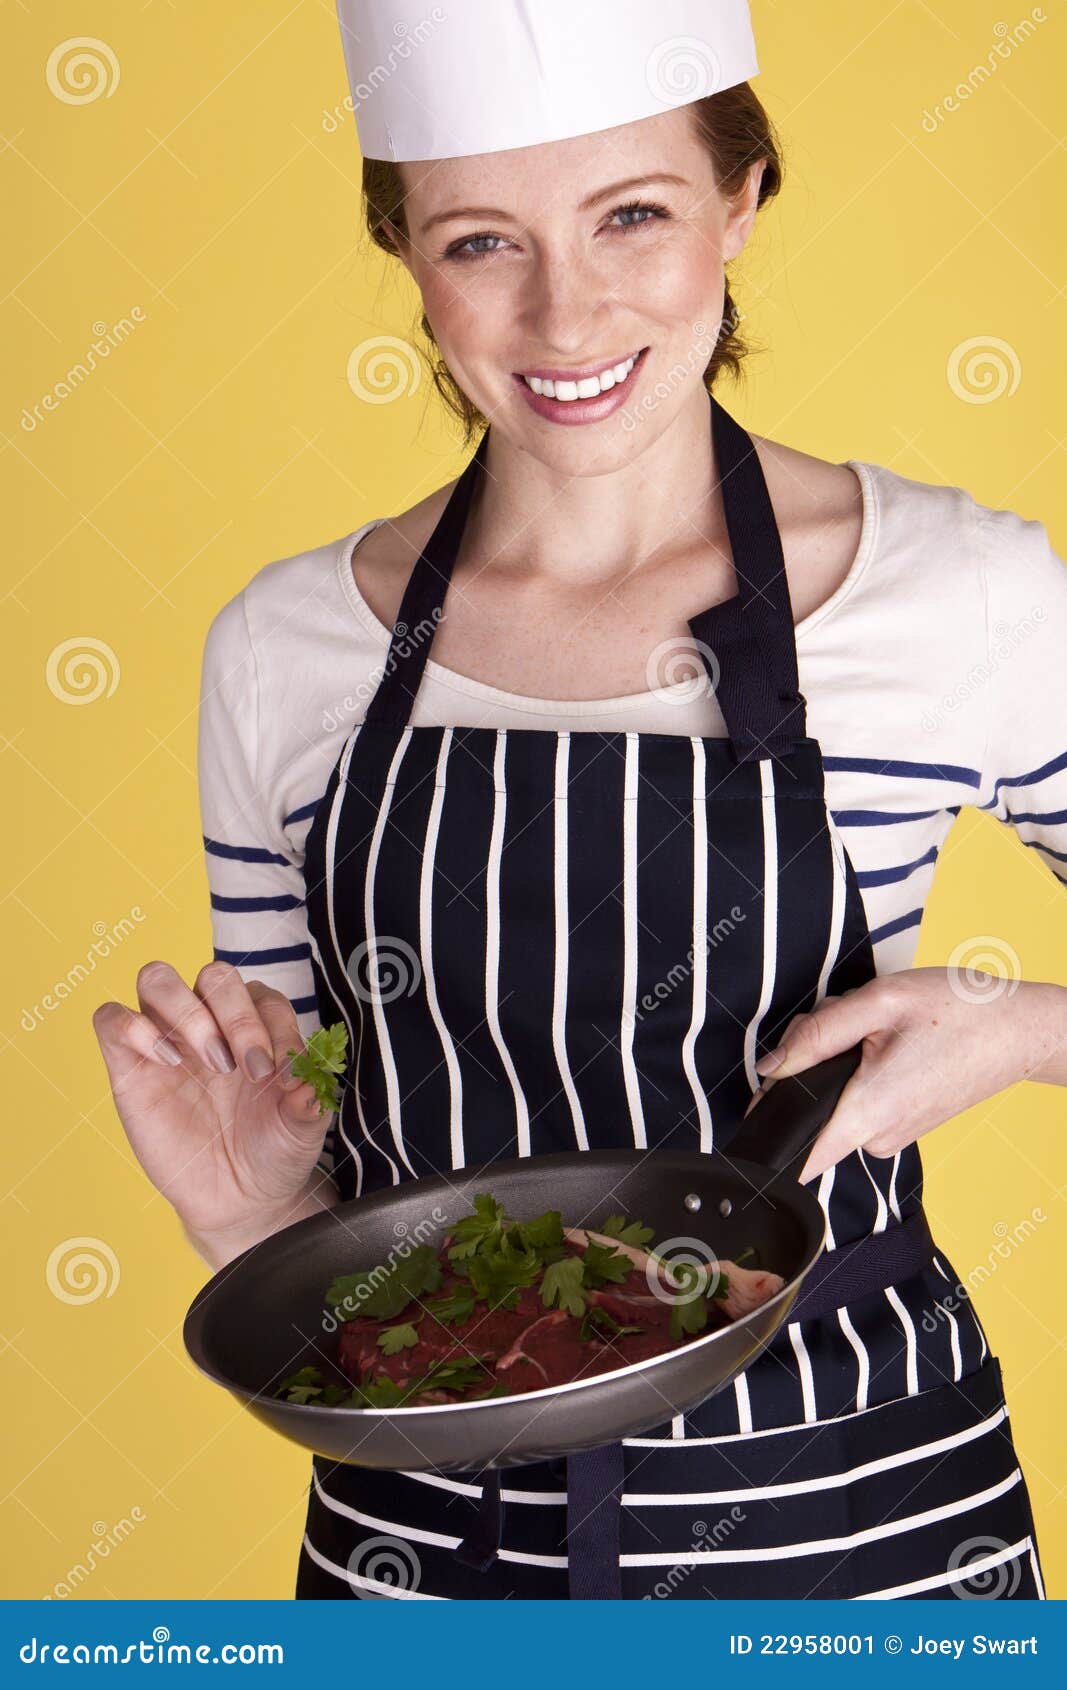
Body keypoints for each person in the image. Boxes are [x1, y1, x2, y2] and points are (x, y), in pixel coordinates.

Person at [93, 0, 1067, 1599]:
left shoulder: (957, 594)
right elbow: (329, 1245)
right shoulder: (284, 650)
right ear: (403, 244)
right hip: (427, 1545)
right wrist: (257, 1212)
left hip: (864, 1523)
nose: (566, 313)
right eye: (483, 241)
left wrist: (1019, 1030)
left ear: (741, 199)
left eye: (635, 214)